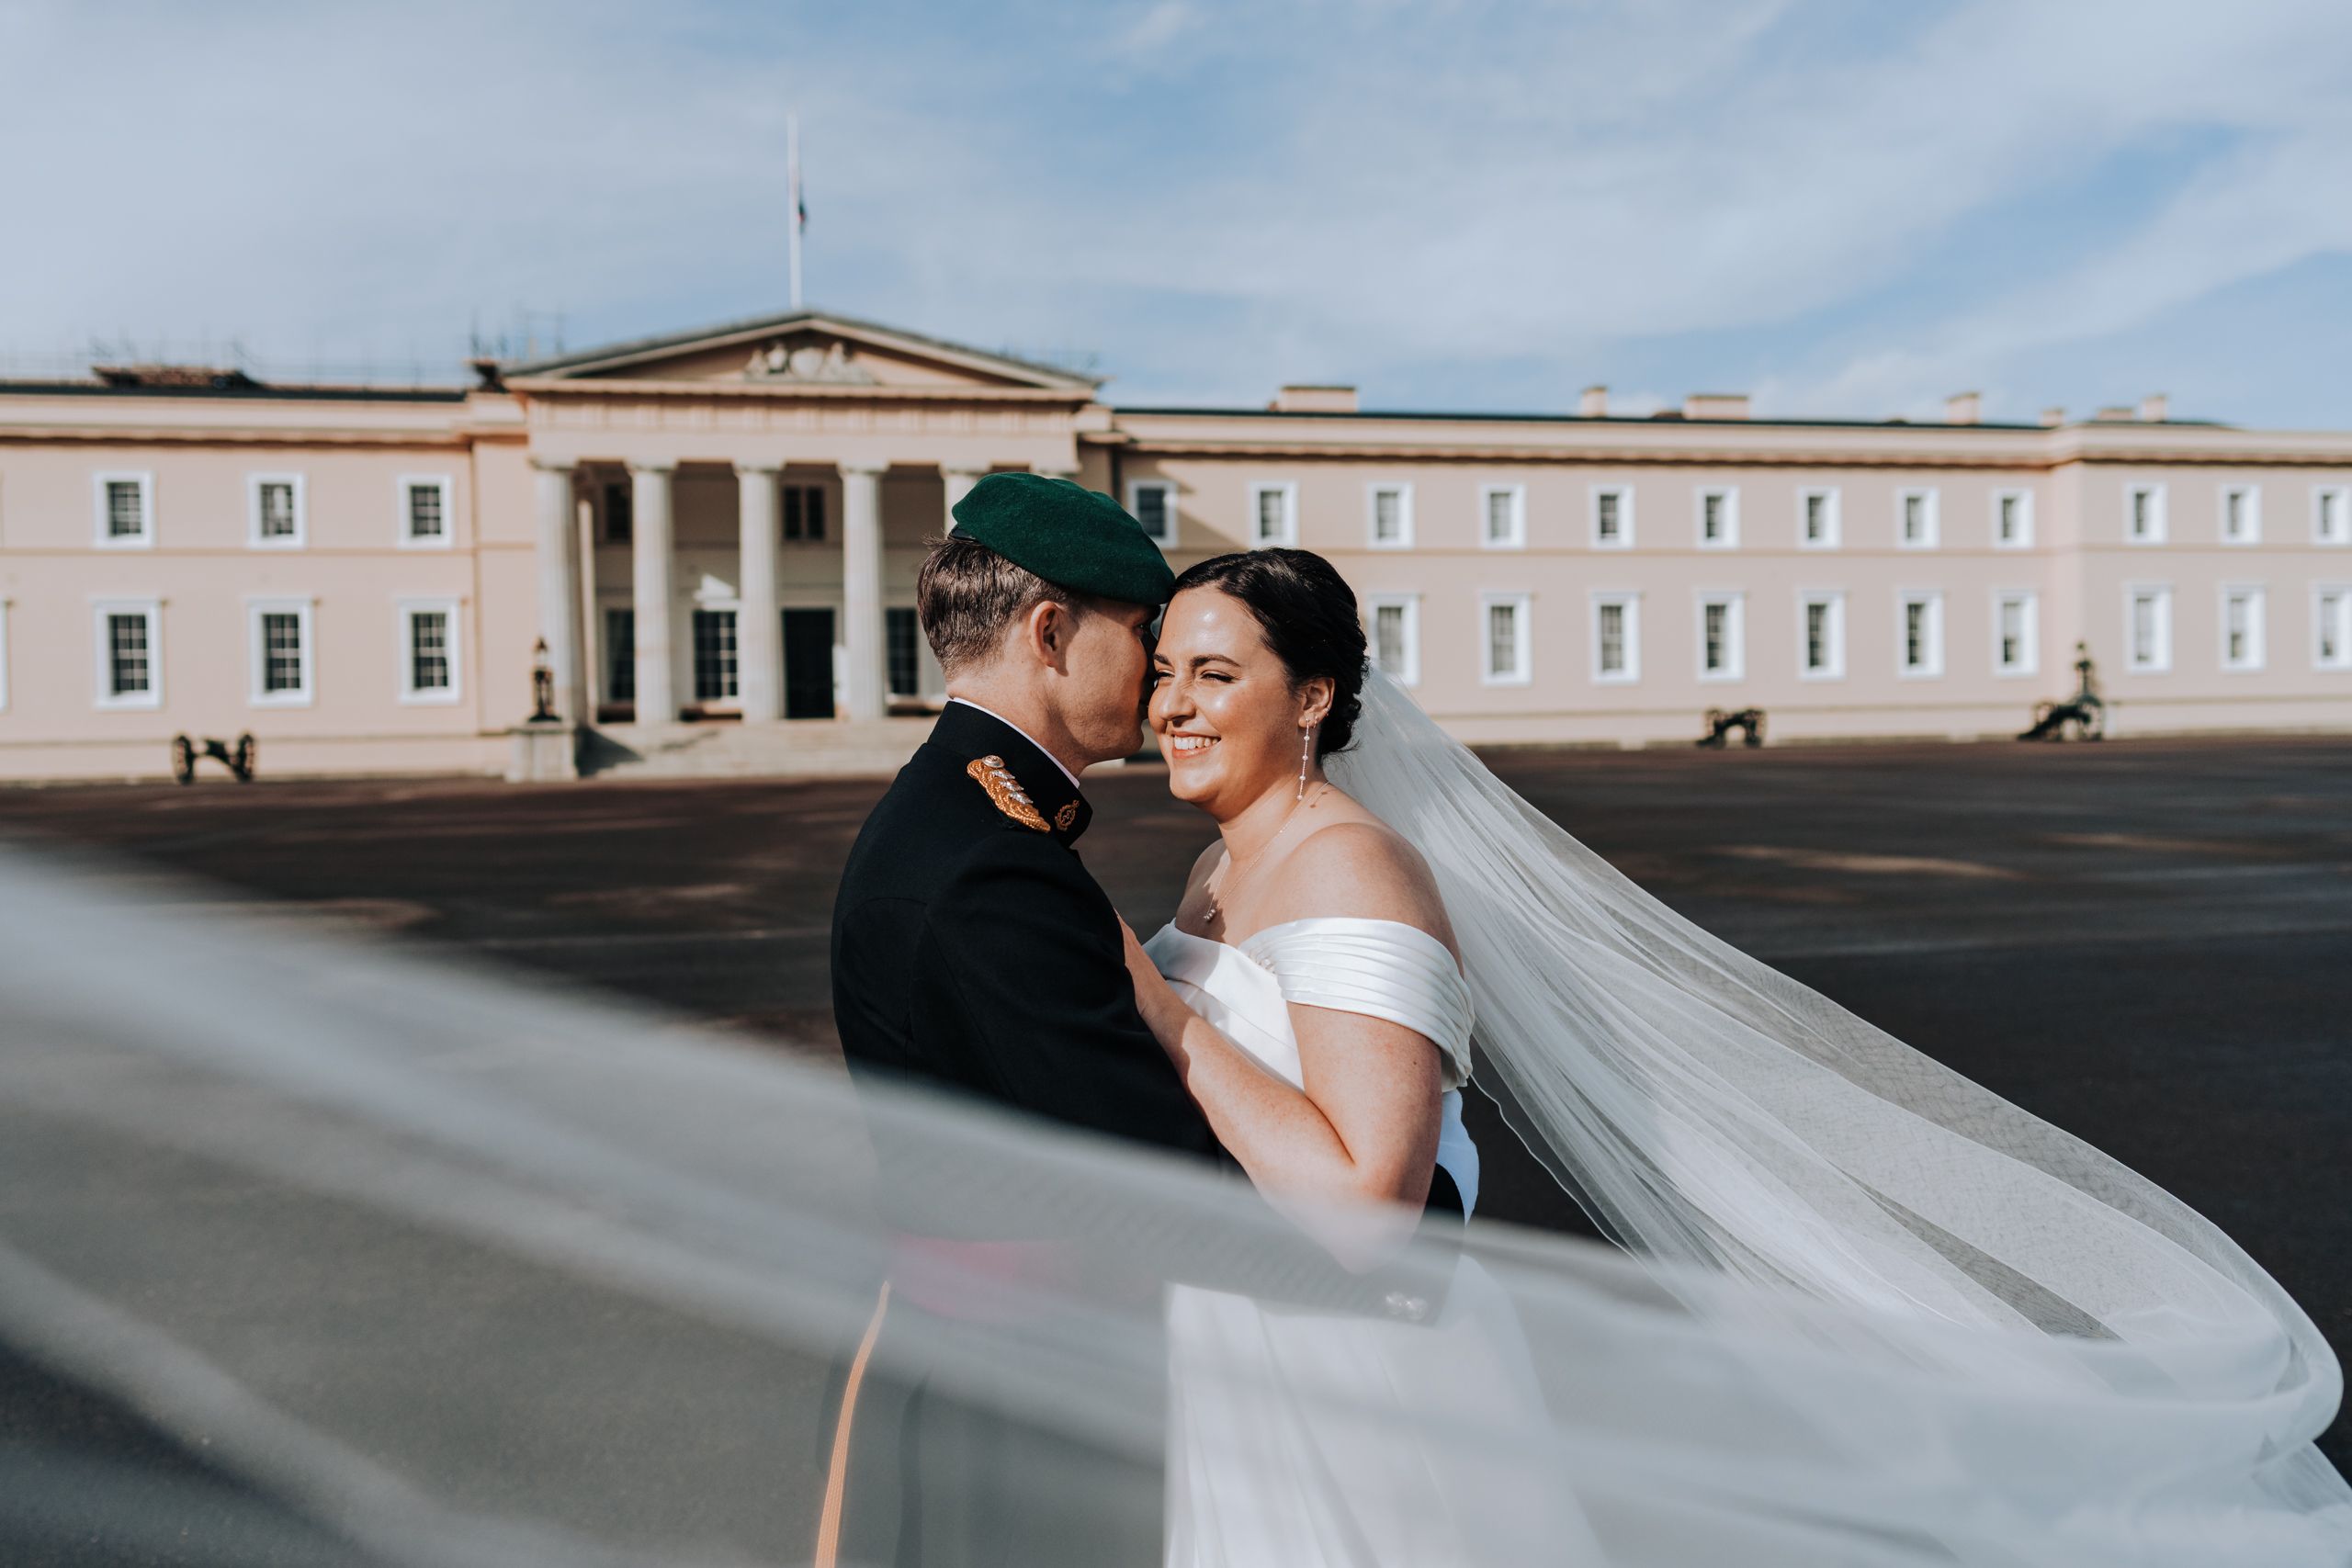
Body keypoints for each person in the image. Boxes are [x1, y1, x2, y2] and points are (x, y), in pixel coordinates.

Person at [1121, 547, 2352, 1564]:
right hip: (1249, 1337)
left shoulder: (1349, 866)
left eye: (1216, 673)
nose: (1171, 702)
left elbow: (1369, 1207)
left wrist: (1159, 1010)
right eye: (1164, 669)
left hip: (1359, 1367)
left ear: (1314, 697)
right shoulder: (1220, 867)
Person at [824, 471, 1213, 1568]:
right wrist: (1401, 1219)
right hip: (1022, 1397)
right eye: (1143, 635)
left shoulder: (967, 812)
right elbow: (1153, 1172)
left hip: (978, 1353)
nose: (1160, 674)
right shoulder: (991, 862)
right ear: (1050, 634)